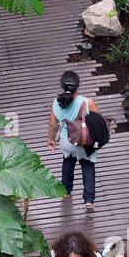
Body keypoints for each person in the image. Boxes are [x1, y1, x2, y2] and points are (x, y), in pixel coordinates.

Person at [47, 69, 102, 213]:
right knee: (88, 165)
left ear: (62, 85)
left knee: (68, 161)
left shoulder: (56, 102)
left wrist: (50, 139)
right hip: (84, 142)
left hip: (67, 141)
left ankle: (66, 191)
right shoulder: (86, 102)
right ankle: (89, 202)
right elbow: (99, 120)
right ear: (78, 85)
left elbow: (53, 124)